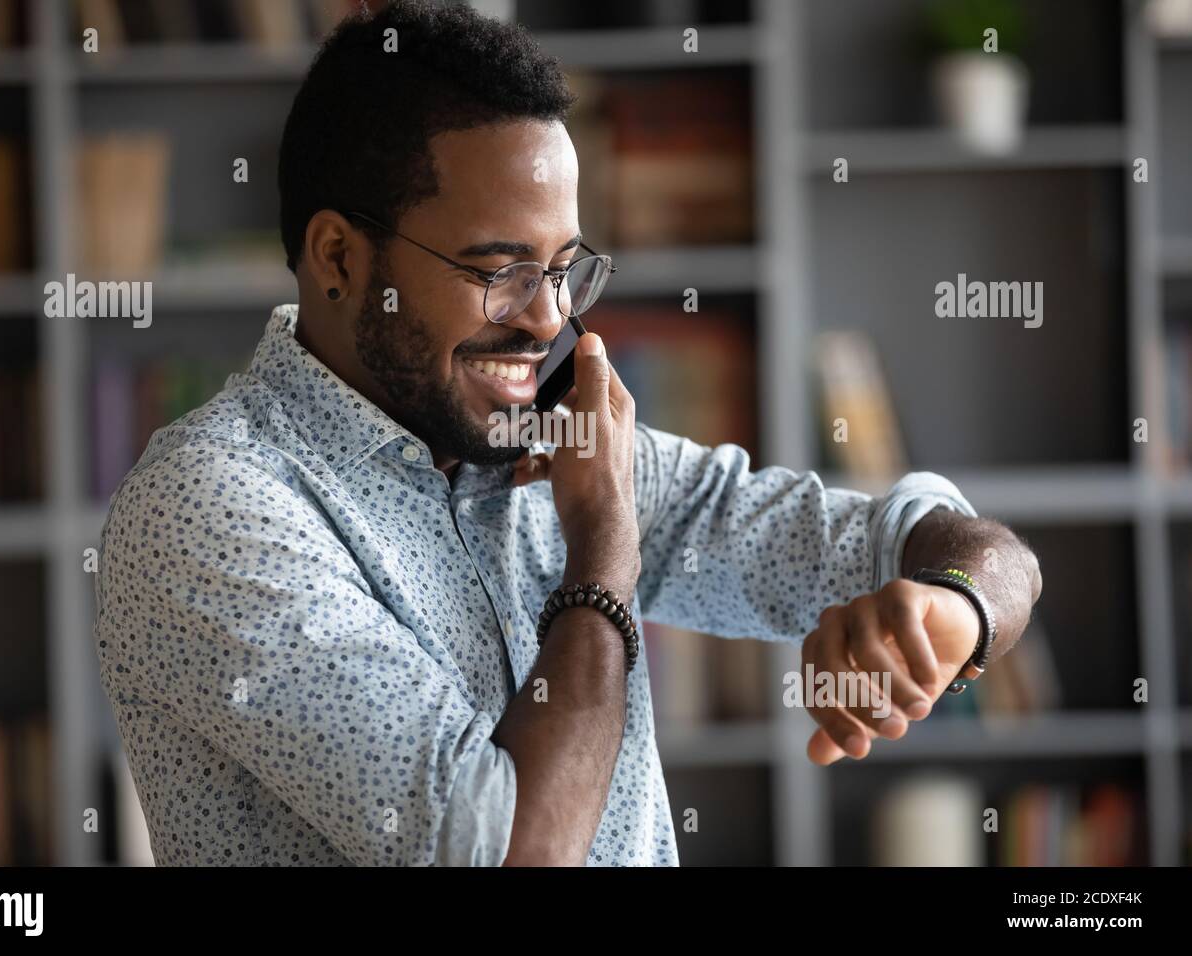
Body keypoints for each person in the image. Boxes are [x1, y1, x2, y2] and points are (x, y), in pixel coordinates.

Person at [95, 0, 1042, 866]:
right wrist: (603, 561)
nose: (550, 321)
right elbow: (512, 852)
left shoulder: (555, 441)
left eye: (565, 269)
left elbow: (965, 549)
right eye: (499, 270)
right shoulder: (209, 505)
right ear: (340, 258)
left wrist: (947, 612)